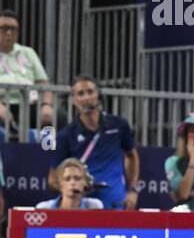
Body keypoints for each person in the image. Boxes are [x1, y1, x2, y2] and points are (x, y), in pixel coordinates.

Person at [49, 75, 140, 210]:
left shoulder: (119, 125)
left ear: (98, 95)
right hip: (83, 207)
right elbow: (52, 179)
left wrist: (132, 190)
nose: (86, 97)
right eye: (81, 93)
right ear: (74, 100)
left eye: (90, 92)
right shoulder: (65, 135)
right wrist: (75, 189)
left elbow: (131, 156)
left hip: (116, 203)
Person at [0, 10, 55, 136]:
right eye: (4, 28)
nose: (9, 32)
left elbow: (44, 82)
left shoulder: (28, 52)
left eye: (13, 29)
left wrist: (46, 105)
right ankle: (11, 155)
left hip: (30, 103)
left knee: (58, 117)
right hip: (4, 103)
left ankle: (48, 152)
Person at [37, 158, 105, 210]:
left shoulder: (94, 206)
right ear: (59, 184)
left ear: (85, 183)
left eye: (77, 178)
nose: (72, 183)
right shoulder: (44, 208)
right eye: (67, 179)